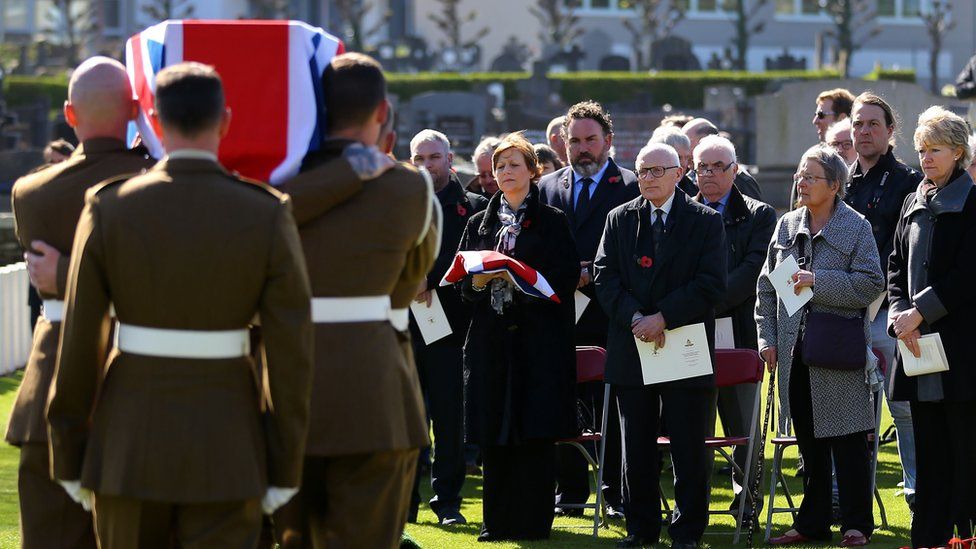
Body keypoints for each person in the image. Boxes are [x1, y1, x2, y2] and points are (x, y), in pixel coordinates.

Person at [46, 61, 314, 548]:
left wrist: (67, 452)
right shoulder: (265, 211)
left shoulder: (110, 206)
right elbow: (291, 349)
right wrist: (284, 464)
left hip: (128, 445)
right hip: (230, 444)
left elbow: (80, 339)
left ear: (152, 119)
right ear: (225, 121)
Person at [271, 53, 437, 548]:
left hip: (283, 389)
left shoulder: (271, 188)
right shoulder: (409, 188)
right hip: (376, 392)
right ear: (382, 112)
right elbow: (409, 282)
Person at [7, 56, 154, 549]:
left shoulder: (31, 193)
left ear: (70, 115)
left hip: (50, 380)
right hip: (137, 380)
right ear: (135, 109)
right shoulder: (153, 185)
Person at [594, 142, 726, 549]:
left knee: (688, 444)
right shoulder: (619, 218)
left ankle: (687, 532)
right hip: (633, 345)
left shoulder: (704, 221)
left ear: (678, 173)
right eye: (643, 171)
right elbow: (605, 276)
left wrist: (663, 316)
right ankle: (642, 528)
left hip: (681, 344)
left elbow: (710, 284)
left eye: (657, 171)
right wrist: (636, 317)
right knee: (636, 446)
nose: (648, 179)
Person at [758, 144, 884, 547]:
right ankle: (810, 523)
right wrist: (768, 338)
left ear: (834, 185)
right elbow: (766, 287)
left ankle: (856, 525)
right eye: (800, 174)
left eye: (811, 176)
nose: (802, 182)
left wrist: (818, 282)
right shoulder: (785, 226)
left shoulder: (857, 226)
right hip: (794, 351)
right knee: (809, 445)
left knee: (847, 441)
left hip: (837, 349)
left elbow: (871, 284)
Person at [455, 132, 579, 542]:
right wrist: (480, 281)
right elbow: (460, 288)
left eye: (513, 165)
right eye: (499, 166)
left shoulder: (553, 221)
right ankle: (496, 522)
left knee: (534, 433)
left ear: (532, 171)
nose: (505, 172)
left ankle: (533, 522)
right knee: (493, 433)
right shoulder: (478, 223)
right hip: (491, 344)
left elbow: (562, 280)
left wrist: (521, 278)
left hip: (537, 344)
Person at [538, 100, 638, 519]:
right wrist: (566, 272)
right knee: (564, 403)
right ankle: (572, 493)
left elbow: (637, 250)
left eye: (590, 140)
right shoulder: (546, 188)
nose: (582, 148)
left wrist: (594, 273)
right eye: (574, 140)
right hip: (562, 315)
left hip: (611, 314)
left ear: (608, 142)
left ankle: (614, 492)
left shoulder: (631, 185)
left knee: (613, 409)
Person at [888, 106, 976, 549]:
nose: (926, 158)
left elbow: (968, 274)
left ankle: (967, 533)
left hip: (960, 348)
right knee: (928, 444)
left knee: (964, 445)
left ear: (958, 152)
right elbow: (895, 265)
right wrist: (899, 315)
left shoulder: (973, 200)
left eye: (935, 150)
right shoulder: (913, 199)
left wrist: (920, 312)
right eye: (922, 150)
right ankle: (930, 535)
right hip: (916, 345)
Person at [406, 128, 488, 526]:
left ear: (449, 159)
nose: (425, 166)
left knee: (449, 419)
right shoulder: (398, 204)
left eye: (432, 158)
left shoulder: (474, 207)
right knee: (405, 419)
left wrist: (432, 278)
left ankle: (448, 502)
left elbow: (473, 261)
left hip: (452, 329)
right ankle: (404, 503)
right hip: (404, 328)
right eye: (418, 159)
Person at [846, 92, 922, 509]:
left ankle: (918, 495)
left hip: (890, 313)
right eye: (858, 124)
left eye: (873, 124)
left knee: (904, 409)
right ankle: (850, 499)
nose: (864, 131)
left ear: (891, 131)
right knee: (851, 412)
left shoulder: (909, 182)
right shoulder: (840, 180)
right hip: (844, 312)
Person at [692, 134, 776, 506]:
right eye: (702, 168)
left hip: (738, 331)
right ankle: (694, 501)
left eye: (718, 167)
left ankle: (748, 500)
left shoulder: (759, 215)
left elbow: (752, 272)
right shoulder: (683, 211)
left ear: (735, 170)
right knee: (694, 422)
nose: (709, 174)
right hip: (691, 334)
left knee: (743, 422)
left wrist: (701, 302)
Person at [649, 126, 697, 197]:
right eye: (678, 157)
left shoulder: (694, 191)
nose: (684, 164)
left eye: (687, 158)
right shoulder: (637, 187)